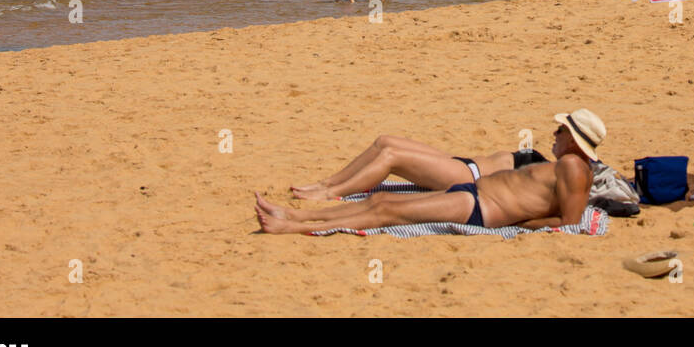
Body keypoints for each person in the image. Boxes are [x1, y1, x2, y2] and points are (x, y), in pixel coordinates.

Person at [259, 110, 605, 232]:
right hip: (474, 195)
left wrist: (523, 223)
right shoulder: (566, 165)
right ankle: (296, 215)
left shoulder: (574, 169)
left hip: (480, 209)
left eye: (561, 131)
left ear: (574, 140)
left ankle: (290, 226)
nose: (554, 135)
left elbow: (570, 223)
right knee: (380, 200)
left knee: (386, 210)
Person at [290, 128, 560, 202]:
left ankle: (332, 194)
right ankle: (327, 182)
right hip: (461, 162)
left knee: (391, 158)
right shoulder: (554, 164)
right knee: (384, 141)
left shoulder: (556, 175)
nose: (557, 134)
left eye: (563, 131)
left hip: (467, 177)